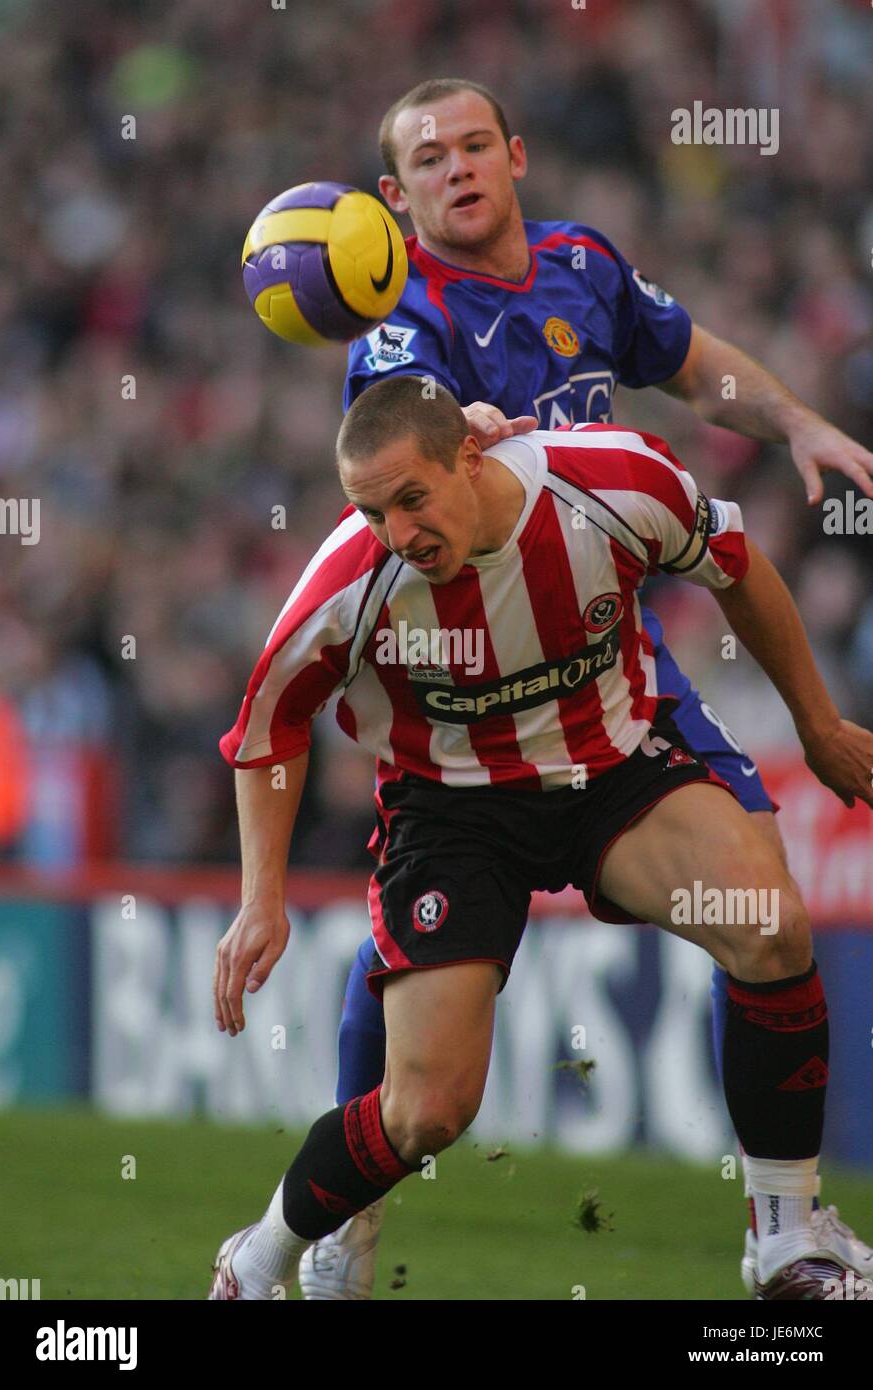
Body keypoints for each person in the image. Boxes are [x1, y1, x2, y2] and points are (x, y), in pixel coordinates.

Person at [301, 77, 873, 1299]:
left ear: (514, 156)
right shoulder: (396, 320)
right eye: (426, 160)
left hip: (604, 673)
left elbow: (691, 363)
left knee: (766, 921)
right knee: (420, 1039)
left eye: (473, 145)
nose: (457, 168)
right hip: (462, 701)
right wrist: (466, 428)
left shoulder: (579, 265)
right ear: (394, 203)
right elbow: (395, 433)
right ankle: (339, 1218)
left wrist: (794, 423)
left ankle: (783, 1232)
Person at [210, 376, 873, 1301]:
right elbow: (267, 731)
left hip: (612, 773)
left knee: (767, 926)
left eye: (412, 498)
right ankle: (260, 1256)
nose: (399, 533)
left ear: (471, 457)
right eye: (373, 511)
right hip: (453, 815)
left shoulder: (610, 483)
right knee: (427, 1113)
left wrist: (818, 726)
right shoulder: (348, 583)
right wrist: (260, 900)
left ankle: (785, 1242)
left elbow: (738, 567)